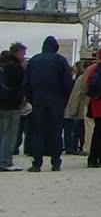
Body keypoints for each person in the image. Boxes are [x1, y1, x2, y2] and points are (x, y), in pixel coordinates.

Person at [20, 37, 73, 173]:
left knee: (37, 132)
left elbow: (26, 83)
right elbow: (67, 83)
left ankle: (37, 163)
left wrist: (31, 98)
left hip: (38, 101)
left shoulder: (34, 60)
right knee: (56, 132)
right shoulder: (60, 60)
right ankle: (55, 162)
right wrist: (64, 99)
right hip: (56, 102)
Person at [0, 43, 24, 170]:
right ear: (18, 52)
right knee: (9, 134)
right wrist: (22, 100)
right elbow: (20, 86)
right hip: (11, 104)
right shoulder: (16, 67)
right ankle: (5, 161)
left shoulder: (3, 66)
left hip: (1, 104)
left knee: (2, 133)